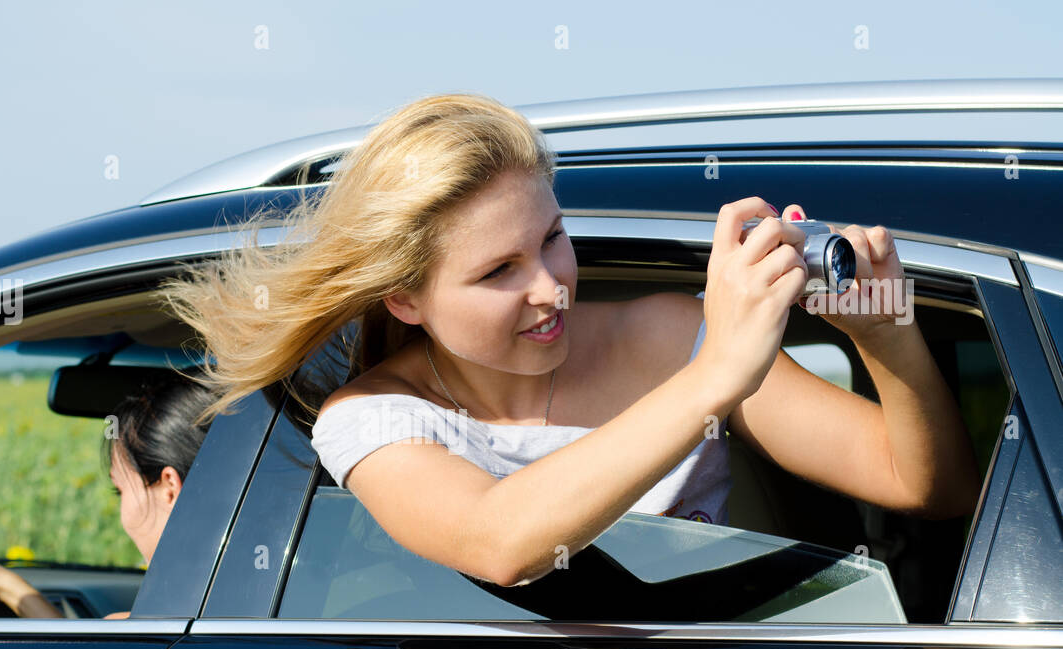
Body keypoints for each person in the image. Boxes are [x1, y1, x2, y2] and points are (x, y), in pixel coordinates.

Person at [159, 92, 982, 592]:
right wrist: (714, 377)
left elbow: (927, 485)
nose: (551, 287)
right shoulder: (372, 418)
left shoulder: (669, 335)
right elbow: (501, 544)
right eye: (499, 271)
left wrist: (888, 338)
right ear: (405, 300)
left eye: (553, 238)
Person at [0, 372, 216, 617]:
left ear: (169, 489)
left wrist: (0, 583)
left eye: (120, 490)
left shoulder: (157, 624)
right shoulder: (227, 597)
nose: (122, 513)